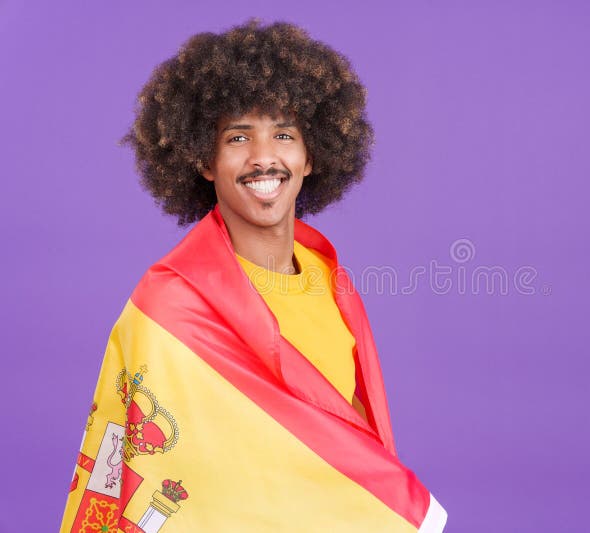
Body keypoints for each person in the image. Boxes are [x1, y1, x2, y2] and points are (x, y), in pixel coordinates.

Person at [59, 19, 447, 532]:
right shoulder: (168, 308)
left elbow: (349, 453)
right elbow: (135, 459)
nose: (264, 157)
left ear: (310, 157)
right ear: (205, 161)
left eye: (283, 134)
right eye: (238, 137)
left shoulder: (331, 282)